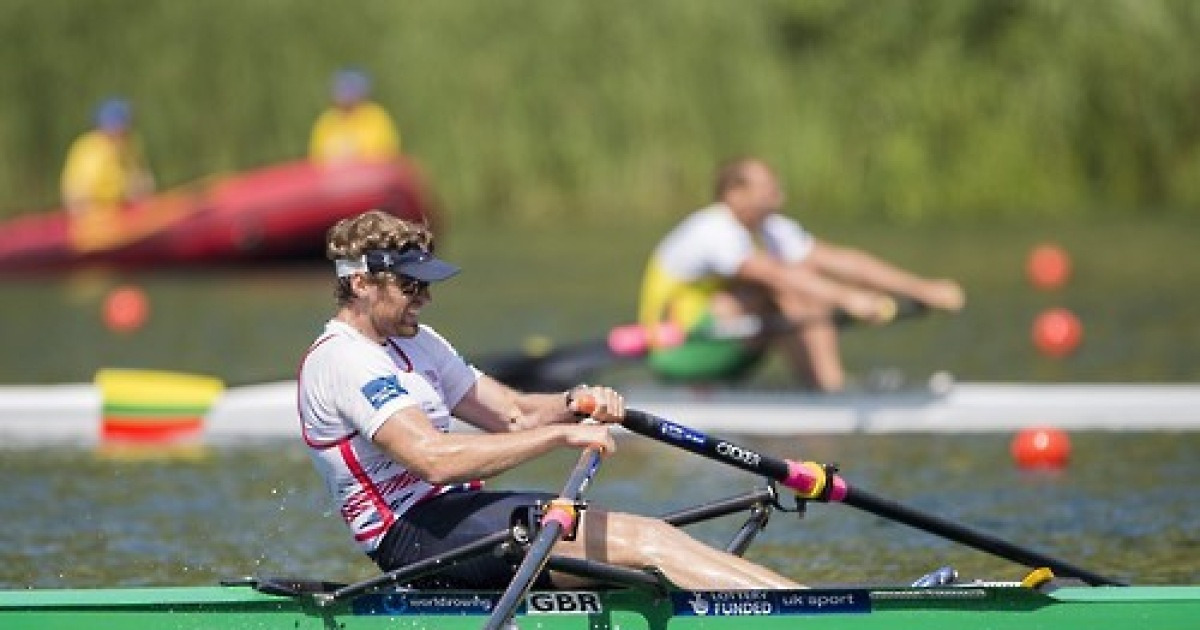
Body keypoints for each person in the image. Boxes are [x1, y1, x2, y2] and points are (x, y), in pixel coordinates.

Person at [297, 209, 799, 590]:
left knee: (647, 539)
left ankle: (809, 606)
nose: (425, 298)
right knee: (647, 543)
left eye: (425, 284)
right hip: (413, 536)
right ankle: (822, 617)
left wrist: (574, 402)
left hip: (461, 513)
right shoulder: (343, 361)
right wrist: (560, 434)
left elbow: (512, 414)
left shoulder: (418, 340)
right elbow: (434, 459)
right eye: (411, 285)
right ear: (360, 283)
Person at [638, 157, 965, 392]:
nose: (779, 197)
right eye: (767, 189)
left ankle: (823, 388)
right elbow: (779, 277)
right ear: (734, 194)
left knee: (803, 275)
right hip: (678, 351)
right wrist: (849, 298)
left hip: (727, 343)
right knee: (787, 288)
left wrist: (921, 289)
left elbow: (843, 260)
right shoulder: (713, 230)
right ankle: (830, 389)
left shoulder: (769, 228)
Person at [60, 98, 156, 249]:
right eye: (117, 124)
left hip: (122, 211)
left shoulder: (130, 145)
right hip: (96, 215)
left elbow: (140, 181)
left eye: (124, 123)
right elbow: (76, 193)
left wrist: (144, 205)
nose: (121, 129)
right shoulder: (89, 149)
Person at [308, 69, 401, 165]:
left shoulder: (375, 117)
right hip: (335, 176)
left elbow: (386, 151)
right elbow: (317, 156)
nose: (346, 97)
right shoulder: (327, 121)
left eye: (351, 91)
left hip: (370, 175)